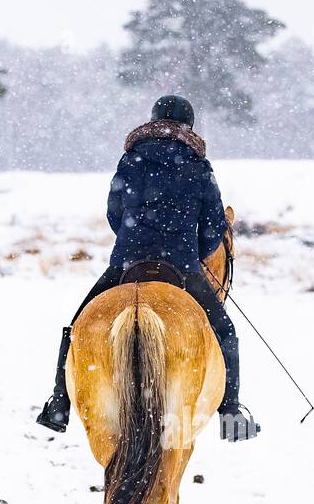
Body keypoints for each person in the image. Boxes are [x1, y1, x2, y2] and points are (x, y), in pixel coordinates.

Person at [35, 95, 260, 441]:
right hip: (181, 265)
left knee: (76, 327)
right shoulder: (199, 165)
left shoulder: (131, 159)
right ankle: (231, 414)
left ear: (153, 120)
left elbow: (114, 212)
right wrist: (191, 253)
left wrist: (134, 241)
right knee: (225, 331)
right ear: (190, 126)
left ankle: (59, 406)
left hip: (128, 261)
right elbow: (215, 227)